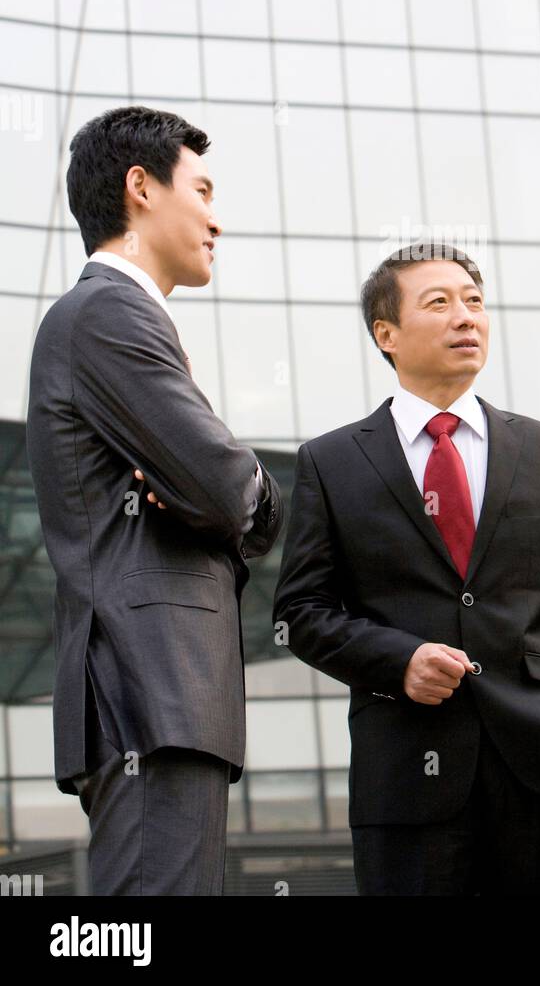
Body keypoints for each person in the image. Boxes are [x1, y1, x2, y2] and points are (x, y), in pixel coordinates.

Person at [273, 242, 540, 895]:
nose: (467, 317)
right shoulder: (331, 462)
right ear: (387, 334)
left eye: (475, 302)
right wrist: (397, 660)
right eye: (440, 303)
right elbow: (300, 613)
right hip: (406, 772)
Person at [26, 105, 283, 895]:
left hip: (163, 697)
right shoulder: (108, 312)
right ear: (141, 188)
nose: (216, 218)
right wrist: (257, 497)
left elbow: (204, 488)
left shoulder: (125, 318)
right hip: (149, 691)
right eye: (201, 190)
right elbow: (228, 488)